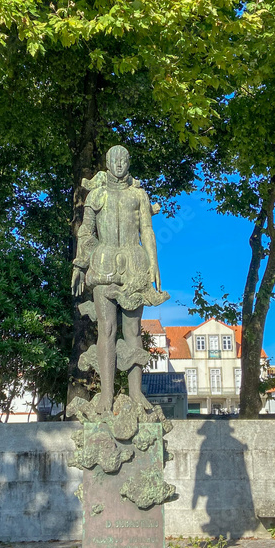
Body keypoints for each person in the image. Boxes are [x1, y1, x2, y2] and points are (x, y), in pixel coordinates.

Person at [72, 145, 168, 414]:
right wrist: (79, 264)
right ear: (108, 162)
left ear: (128, 163)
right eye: (115, 160)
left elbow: (147, 230)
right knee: (107, 329)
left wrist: (154, 264)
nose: (119, 164)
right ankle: (106, 394)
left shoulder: (139, 195)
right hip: (103, 265)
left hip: (134, 265)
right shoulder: (96, 194)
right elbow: (86, 233)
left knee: (134, 330)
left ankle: (136, 393)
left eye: (124, 160)